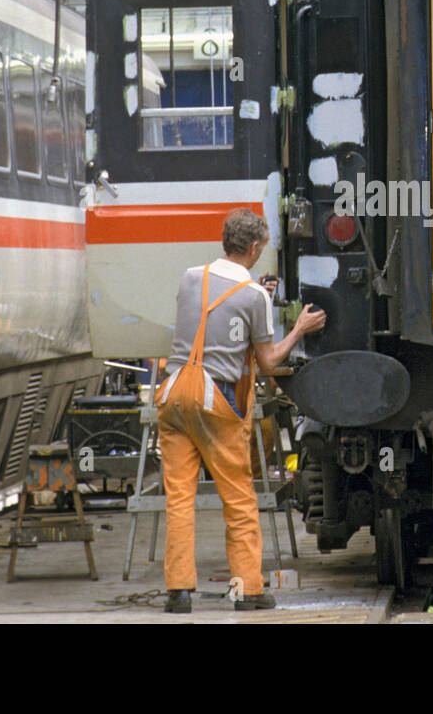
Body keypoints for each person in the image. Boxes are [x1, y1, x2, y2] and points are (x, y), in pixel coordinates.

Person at [156, 208, 325, 613]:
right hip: (217, 399)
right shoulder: (253, 296)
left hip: (174, 391)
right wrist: (298, 328)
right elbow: (268, 361)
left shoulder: (190, 277)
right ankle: (248, 590)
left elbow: (210, 315)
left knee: (179, 498)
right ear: (254, 248)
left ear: (223, 241)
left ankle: (179, 592)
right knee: (238, 497)